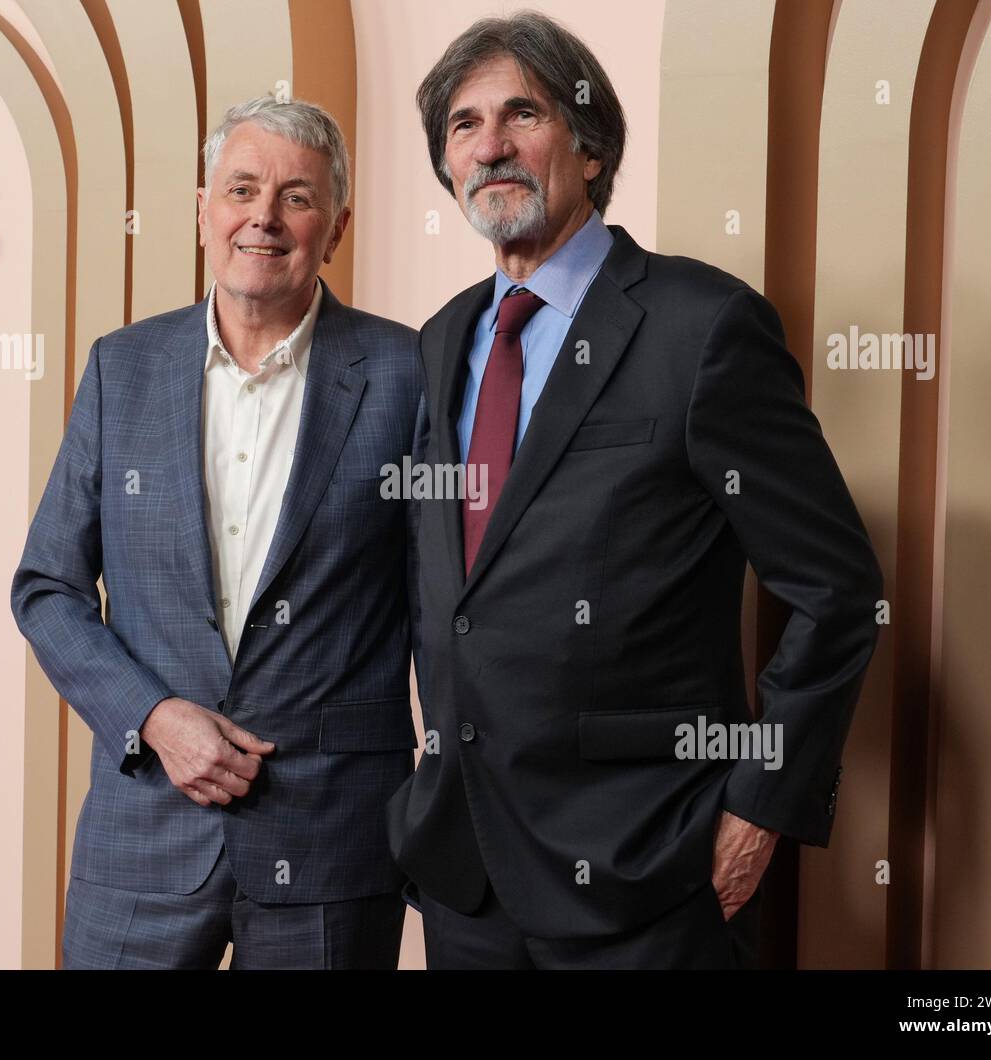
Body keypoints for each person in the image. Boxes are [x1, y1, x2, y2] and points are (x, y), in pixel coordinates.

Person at [386, 11, 884, 969]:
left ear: (592, 143)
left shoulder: (703, 327)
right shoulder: (444, 338)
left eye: (522, 114)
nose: (490, 145)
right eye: (463, 125)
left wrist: (758, 805)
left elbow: (839, 592)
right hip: (465, 877)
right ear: (447, 167)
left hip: (646, 868)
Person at [12, 96, 423, 969]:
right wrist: (154, 717)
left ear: (337, 226)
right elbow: (47, 587)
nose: (263, 218)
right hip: (143, 843)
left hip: (333, 840)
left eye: (297, 197)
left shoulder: (407, 373)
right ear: (204, 209)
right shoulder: (122, 368)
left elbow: (448, 605)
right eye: (241, 189)